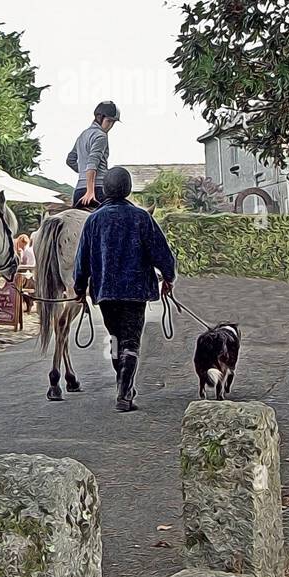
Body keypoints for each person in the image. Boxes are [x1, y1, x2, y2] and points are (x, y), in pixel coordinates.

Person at [73, 166, 177, 412]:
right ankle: (124, 390)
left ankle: (123, 384)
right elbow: (162, 253)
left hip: (106, 291)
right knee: (131, 340)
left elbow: (82, 260)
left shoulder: (93, 220)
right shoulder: (142, 218)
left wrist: (79, 287)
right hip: (135, 291)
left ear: (106, 190)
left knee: (115, 337)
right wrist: (169, 278)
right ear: (128, 189)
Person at [66, 101, 120, 209]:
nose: (110, 126)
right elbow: (92, 163)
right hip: (97, 190)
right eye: (108, 121)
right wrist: (90, 191)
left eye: (113, 123)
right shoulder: (101, 136)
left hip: (79, 190)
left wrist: (83, 171)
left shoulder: (83, 135)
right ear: (99, 118)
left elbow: (70, 160)